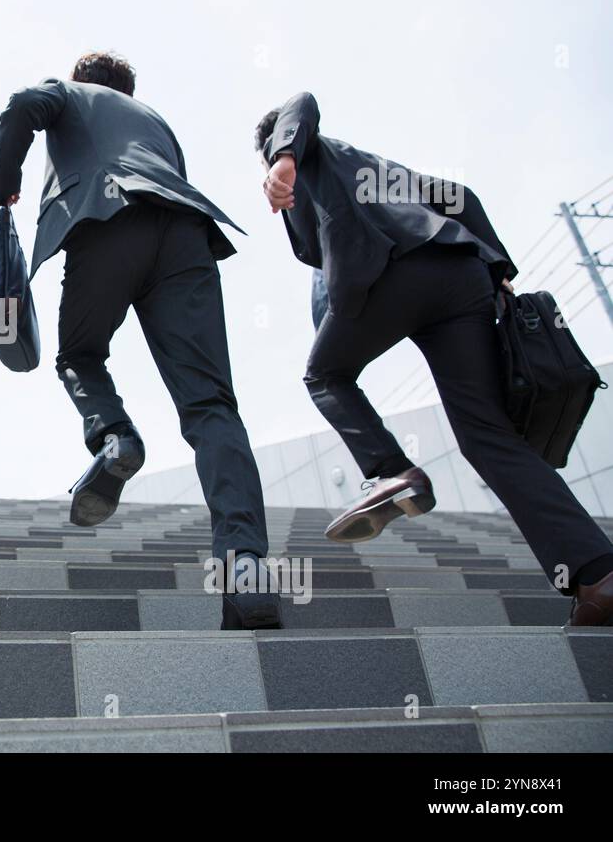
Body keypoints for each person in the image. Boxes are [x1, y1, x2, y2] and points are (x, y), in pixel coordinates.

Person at [256, 91, 613, 626]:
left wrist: (281, 156)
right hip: (459, 277)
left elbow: (300, 101)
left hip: (392, 279)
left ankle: (393, 472)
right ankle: (597, 577)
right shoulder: (384, 176)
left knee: (324, 374)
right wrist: (499, 268)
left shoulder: (307, 154)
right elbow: (459, 196)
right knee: (488, 440)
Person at [0, 52, 279, 629]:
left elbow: (21, 106)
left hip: (105, 221)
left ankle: (115, 436)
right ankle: (245, 574)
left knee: (79, 355)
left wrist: (3, 188)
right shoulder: (155, 120)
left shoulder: (69, 95)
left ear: (80, 80)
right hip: (185, 234)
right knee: (211, 406)